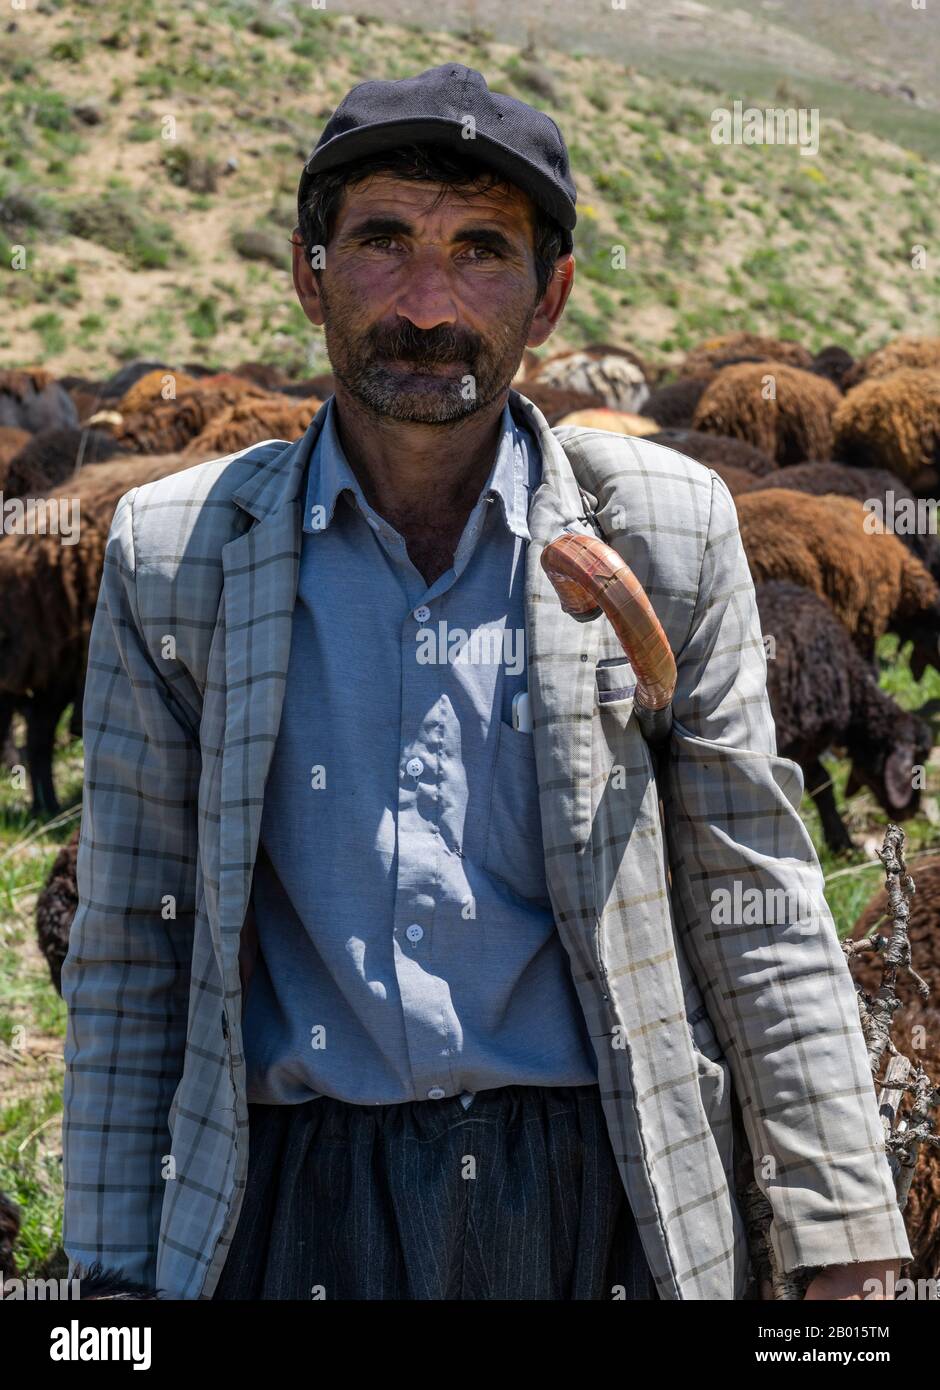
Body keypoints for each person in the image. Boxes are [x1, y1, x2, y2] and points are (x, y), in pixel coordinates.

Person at [61, 63, 912, 1301]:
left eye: (481, 250)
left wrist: (844, 1246)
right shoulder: (177, 554)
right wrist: (110, 1278)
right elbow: (134, 936)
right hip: (294, 1200)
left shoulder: (662, 533)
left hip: (604, 1189)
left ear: (550, 296)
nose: (427, 301)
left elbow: (759, 895)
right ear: (310, 274)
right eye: (384, 242)